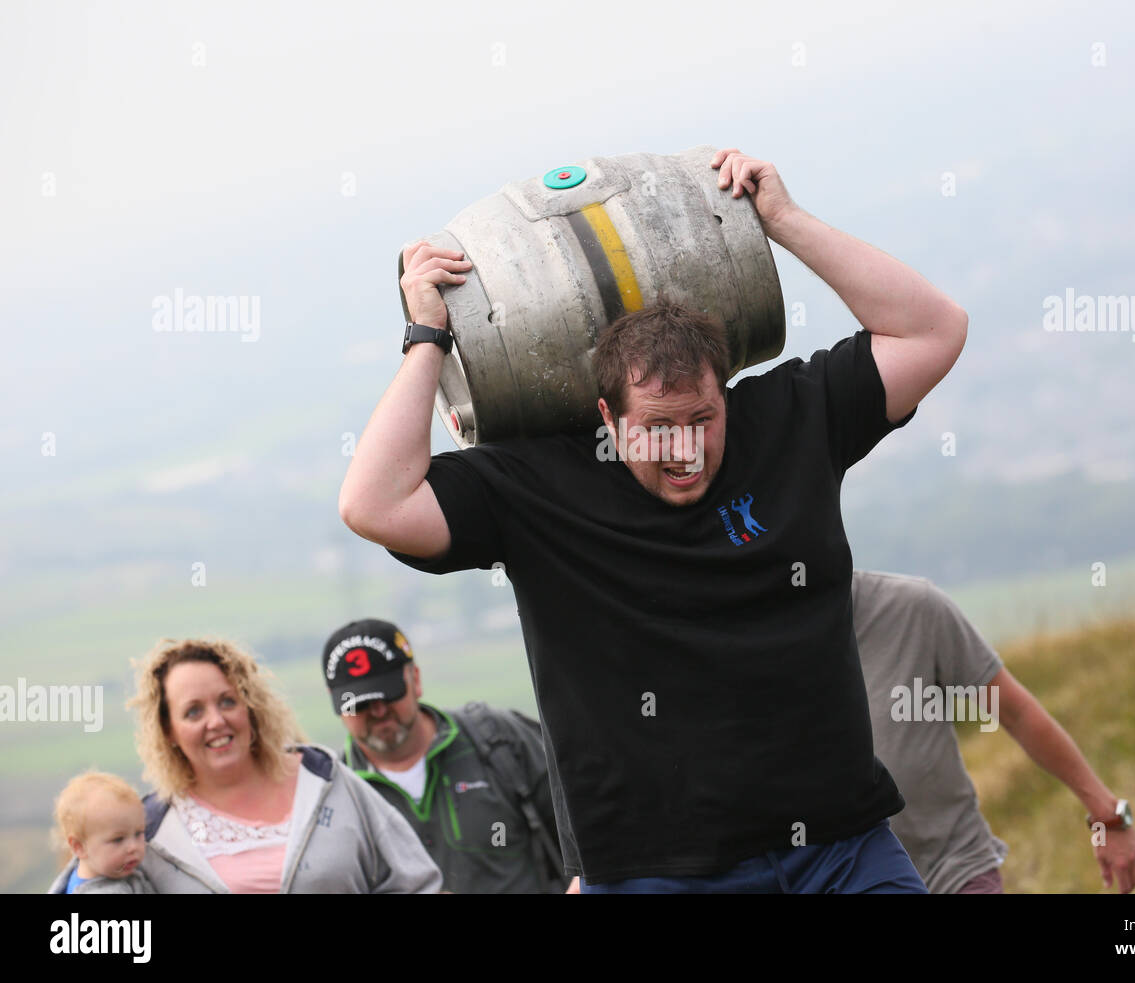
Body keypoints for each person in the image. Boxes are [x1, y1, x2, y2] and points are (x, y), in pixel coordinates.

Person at [338, 147, 969, 892]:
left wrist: (787, 223)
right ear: (607, 416)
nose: (687, 449)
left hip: (839, 845)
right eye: (659, 426)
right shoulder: (539, 489)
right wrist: (427, 335)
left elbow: (934, 331)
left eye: (704, 418)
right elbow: (373, 502)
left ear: (728, 393)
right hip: (653, 873)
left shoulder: (791, 420)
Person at [851, 570, 1135, 893]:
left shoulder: (914, 607)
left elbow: (1015, 712)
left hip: (954, 870)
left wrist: (1108, 815)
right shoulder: (789, 645)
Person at [80, 637, 442, 894]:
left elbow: (418, 882)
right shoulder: (151, 830)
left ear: (251, 707)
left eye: (227, 701)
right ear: (168, 731)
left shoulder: (325, 780)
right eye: (193, 711)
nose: (216, 721)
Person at [322, 618, 569, 893]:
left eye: (389, 695)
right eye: (361, 703)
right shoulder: (332, 796)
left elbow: (587, 821)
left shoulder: (498, 739)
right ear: (334, 701)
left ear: (415, 679)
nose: (379, 712)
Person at [47, 771, 152, 894]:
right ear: (79, 847)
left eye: (138, 833)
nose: (133, 847)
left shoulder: (93, 868)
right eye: (118, 839)